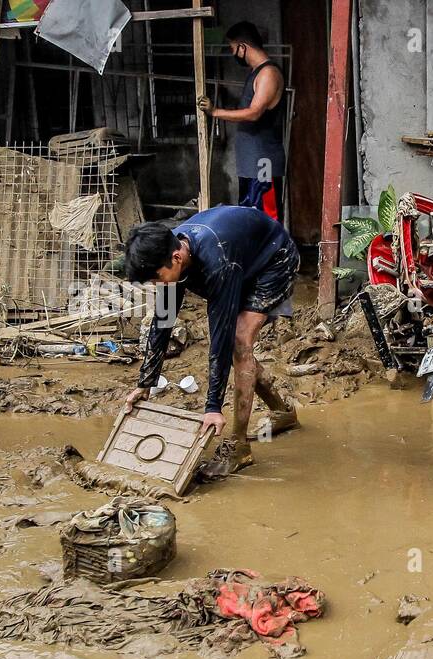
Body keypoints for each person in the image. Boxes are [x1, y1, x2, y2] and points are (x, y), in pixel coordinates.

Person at [123, 206, 301, 479]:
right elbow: (164, 320)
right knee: (234, 345)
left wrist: (213, 409)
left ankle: (238, 447)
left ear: (176, 257)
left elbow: (221, 336)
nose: (157, 285)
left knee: (239, 343)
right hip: (242, 257)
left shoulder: (216, 262)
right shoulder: (175, 254)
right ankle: (282, 412)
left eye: (156, 278)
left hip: (274, 260)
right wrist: (145, 383)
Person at [199, 21, 286, 221]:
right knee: (251, 219)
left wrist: (215, 112)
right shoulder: (256, 73)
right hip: (251, 163)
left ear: (242, 47)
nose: (233, 54)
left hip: (263, 162)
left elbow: (254, 113)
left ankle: (274, 253)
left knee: (266, 219)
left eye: (232, 48)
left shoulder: (268, 74)